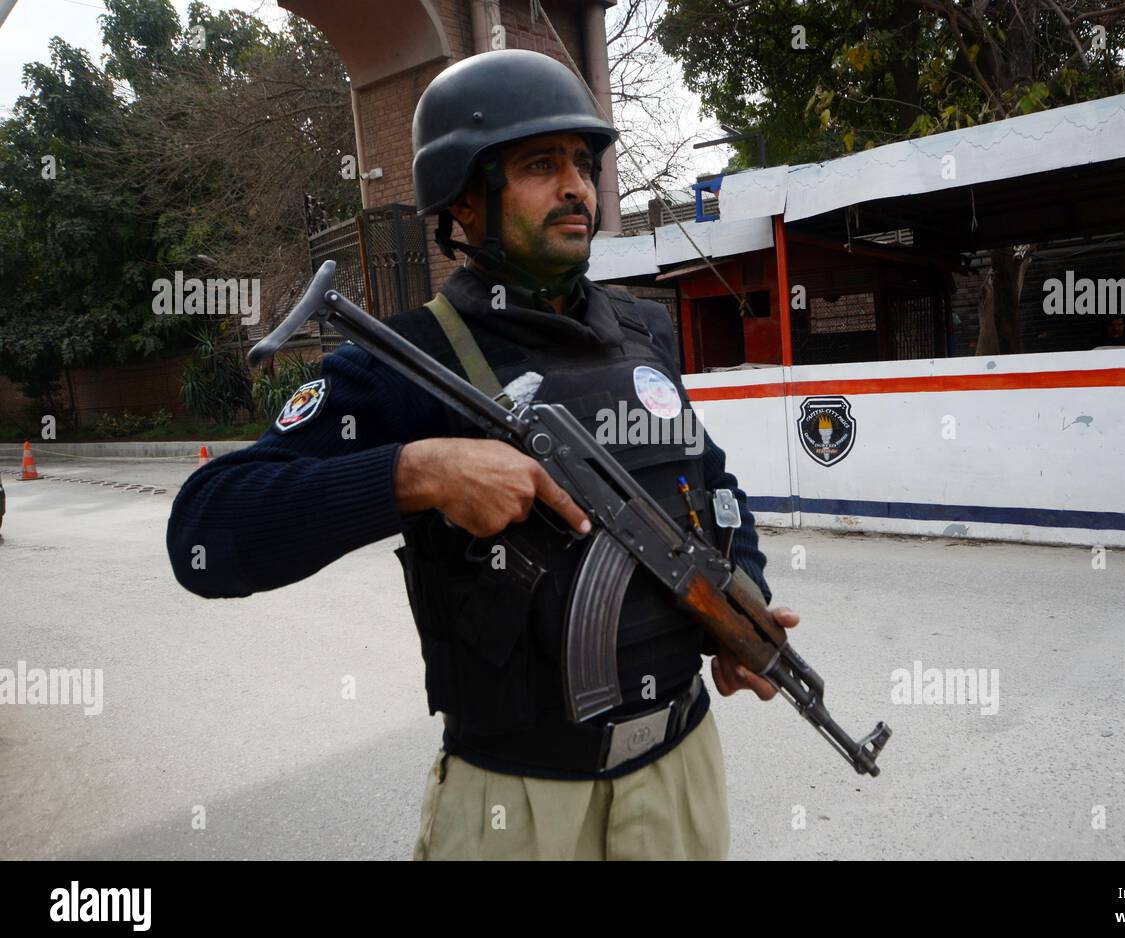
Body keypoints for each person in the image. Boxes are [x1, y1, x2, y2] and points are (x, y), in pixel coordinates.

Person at [166, 48, 794, 861]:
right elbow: (205, 534)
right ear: (465, 198)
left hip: (680, 776)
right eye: (541, 164)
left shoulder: (644, 332)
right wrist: (415, 473)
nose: (577, 186)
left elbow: (711, 485)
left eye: (582, 163)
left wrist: (741, 603)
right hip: (521, 802)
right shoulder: (403, 360)